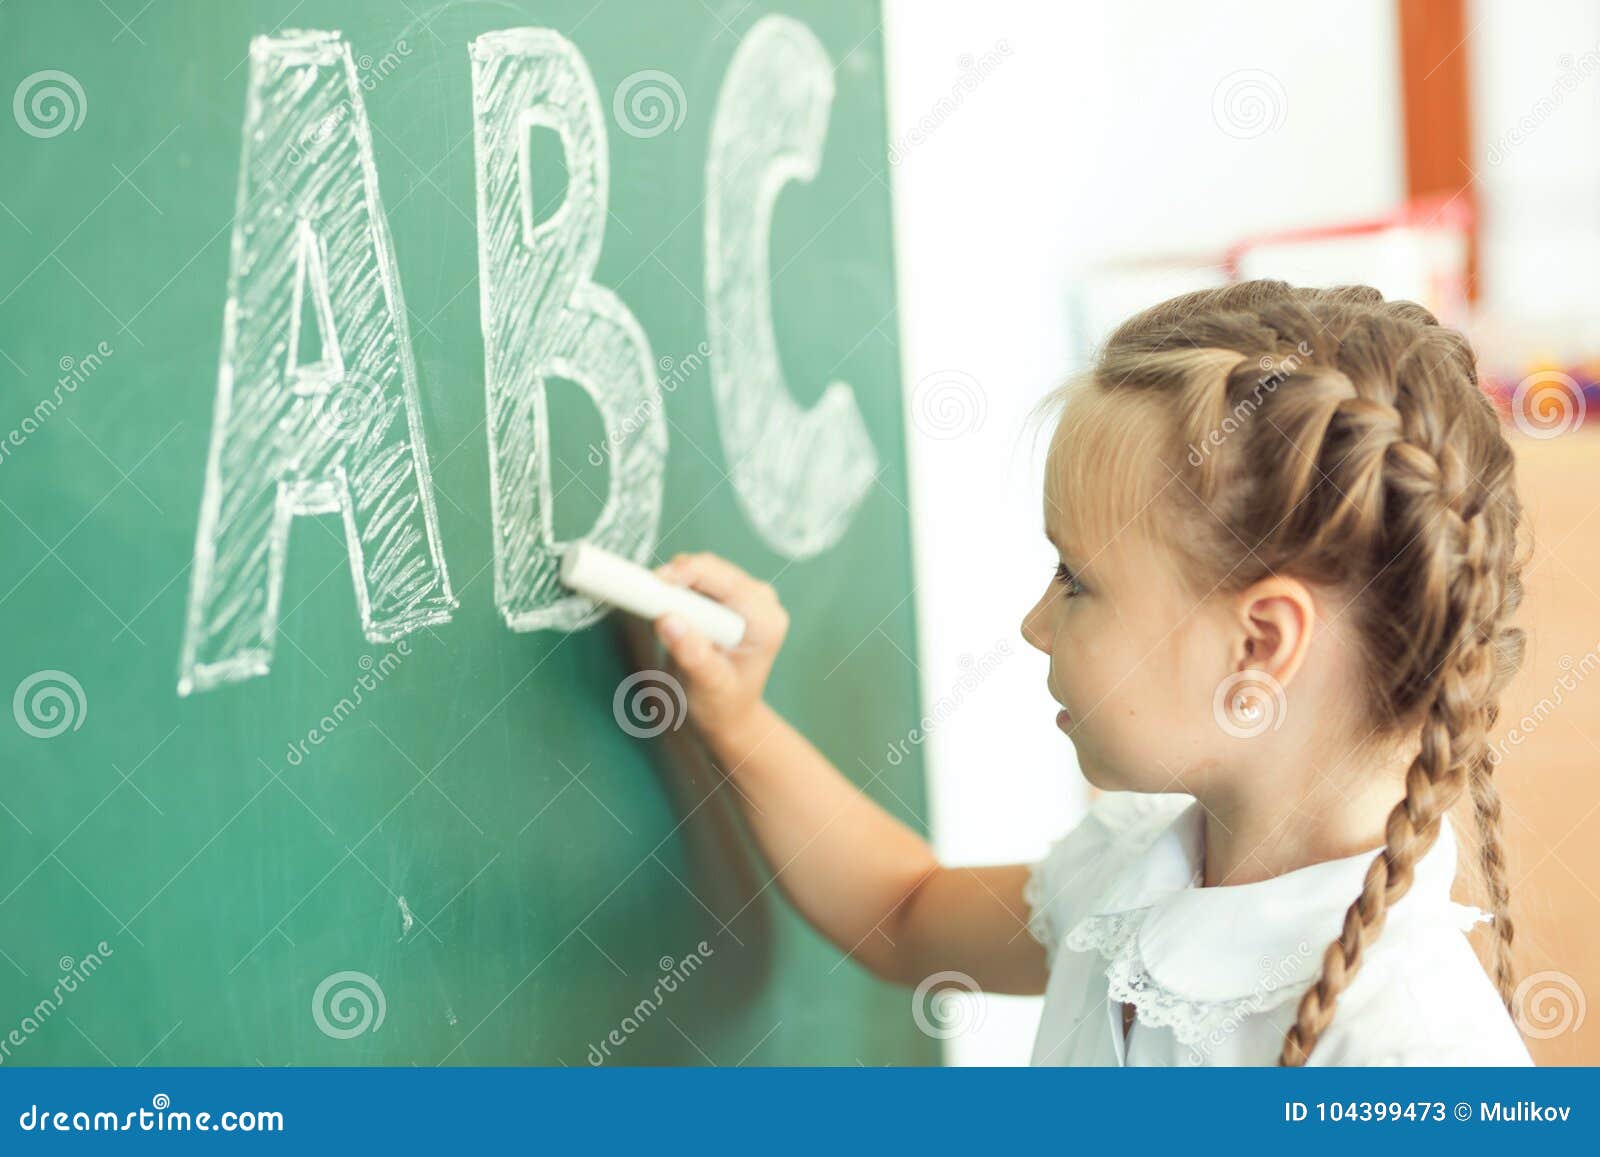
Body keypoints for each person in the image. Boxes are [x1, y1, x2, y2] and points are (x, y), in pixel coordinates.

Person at [643, 281, 1534, 1066]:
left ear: (1259, 645)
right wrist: (736, 715)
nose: (1035, 625)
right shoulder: (1136, 868)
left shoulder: (1416, 1058)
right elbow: (905, 913)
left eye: (1076, 579)